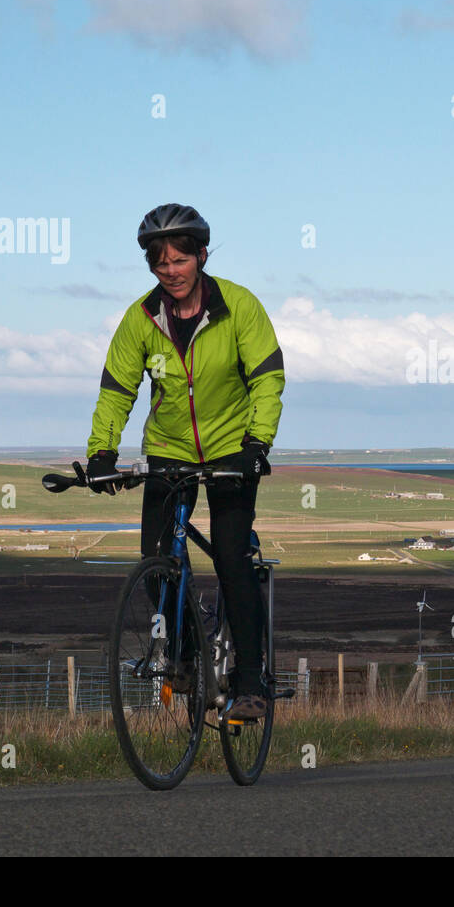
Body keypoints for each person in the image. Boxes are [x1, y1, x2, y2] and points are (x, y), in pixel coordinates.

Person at [85, 203, 285, 721]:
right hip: (169, 450)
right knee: (156, 563)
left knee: (231, 558)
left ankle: (249, 683)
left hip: (231, 450)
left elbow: (267, 378)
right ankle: (187, 655)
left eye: (180, 259)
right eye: (159, 263)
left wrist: (256, 445)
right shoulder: (141, 319)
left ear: (200, 255)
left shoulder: (238, 307)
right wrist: (102, 452)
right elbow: (116, 389)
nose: (170, 271)